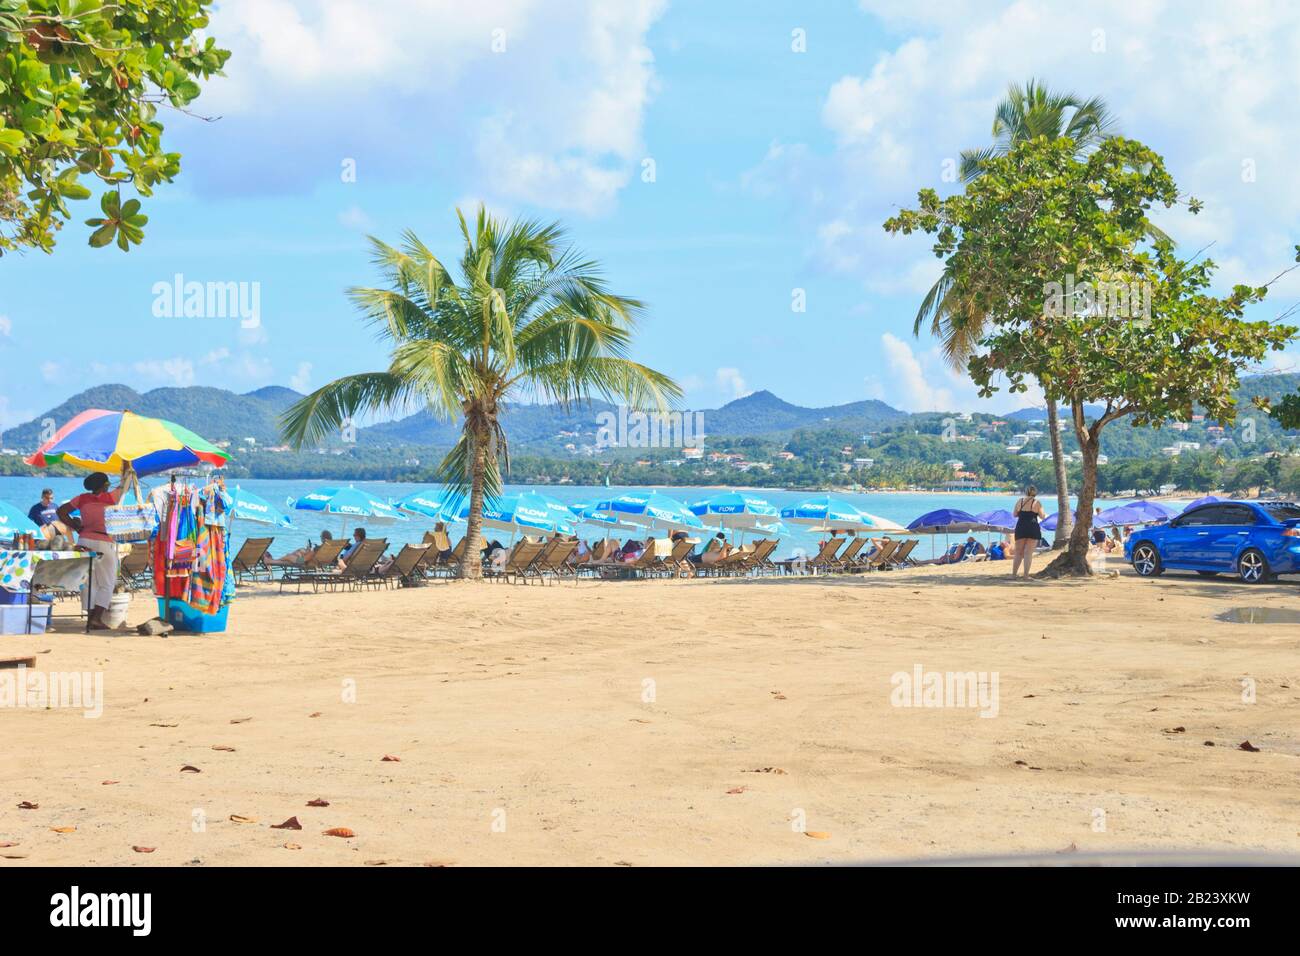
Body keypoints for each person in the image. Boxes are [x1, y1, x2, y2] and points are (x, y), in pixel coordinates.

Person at [58, 471, 130, 630]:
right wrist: (126, 465)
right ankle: (96, 619)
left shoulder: (82, 498)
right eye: (108, 483)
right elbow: (126, 483)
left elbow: (61, 511)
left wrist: (75, 525)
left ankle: (90, 618)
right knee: (107, 582)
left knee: (89, 582)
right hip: (104, 541)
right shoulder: (112, 497)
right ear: (105, 485)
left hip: (84, 540)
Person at [1011, 484, 1046, 579]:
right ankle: (1026, 575)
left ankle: (1014, 574)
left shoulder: (1020, 501)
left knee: (1018, 552)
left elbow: (1014, 514)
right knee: (1028, 552)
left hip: (1021, 526)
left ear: (1026, 492)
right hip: (1032, 526)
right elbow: (1042, 516)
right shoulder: (1037, 502)